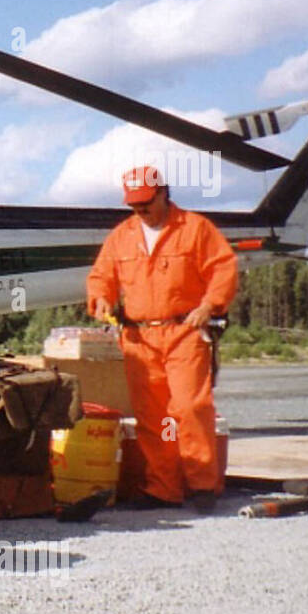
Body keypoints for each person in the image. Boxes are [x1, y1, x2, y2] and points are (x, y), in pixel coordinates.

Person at [87, 166, 238, 513]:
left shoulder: (196, 229)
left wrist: (210, 306)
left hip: (184, 331)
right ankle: (163, 487)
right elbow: (100, 277)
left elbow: (223, 269)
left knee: (189, 407)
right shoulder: (121, 236)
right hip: (139, 337)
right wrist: (102, 299)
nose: (141, 211)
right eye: (134, 205)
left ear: (163, 193)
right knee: (154, 417)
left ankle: (202, 485)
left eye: (146, 203)